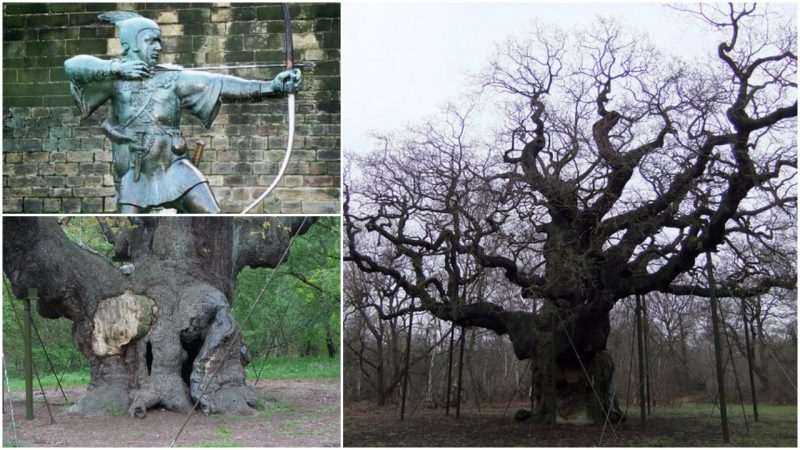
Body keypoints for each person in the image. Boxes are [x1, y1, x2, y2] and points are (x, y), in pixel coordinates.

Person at [64, 11, 301, 213]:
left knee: (212, 215)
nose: (158, 47)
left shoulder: (173, 78)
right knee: (131, 226)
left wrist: (273, 87)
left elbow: (220, 84)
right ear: (132, 44)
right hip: (136, 173)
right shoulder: (114, 79)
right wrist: (115, 68)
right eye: (150, 41)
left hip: (174, 167)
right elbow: (71, 66)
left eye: (159, 41)